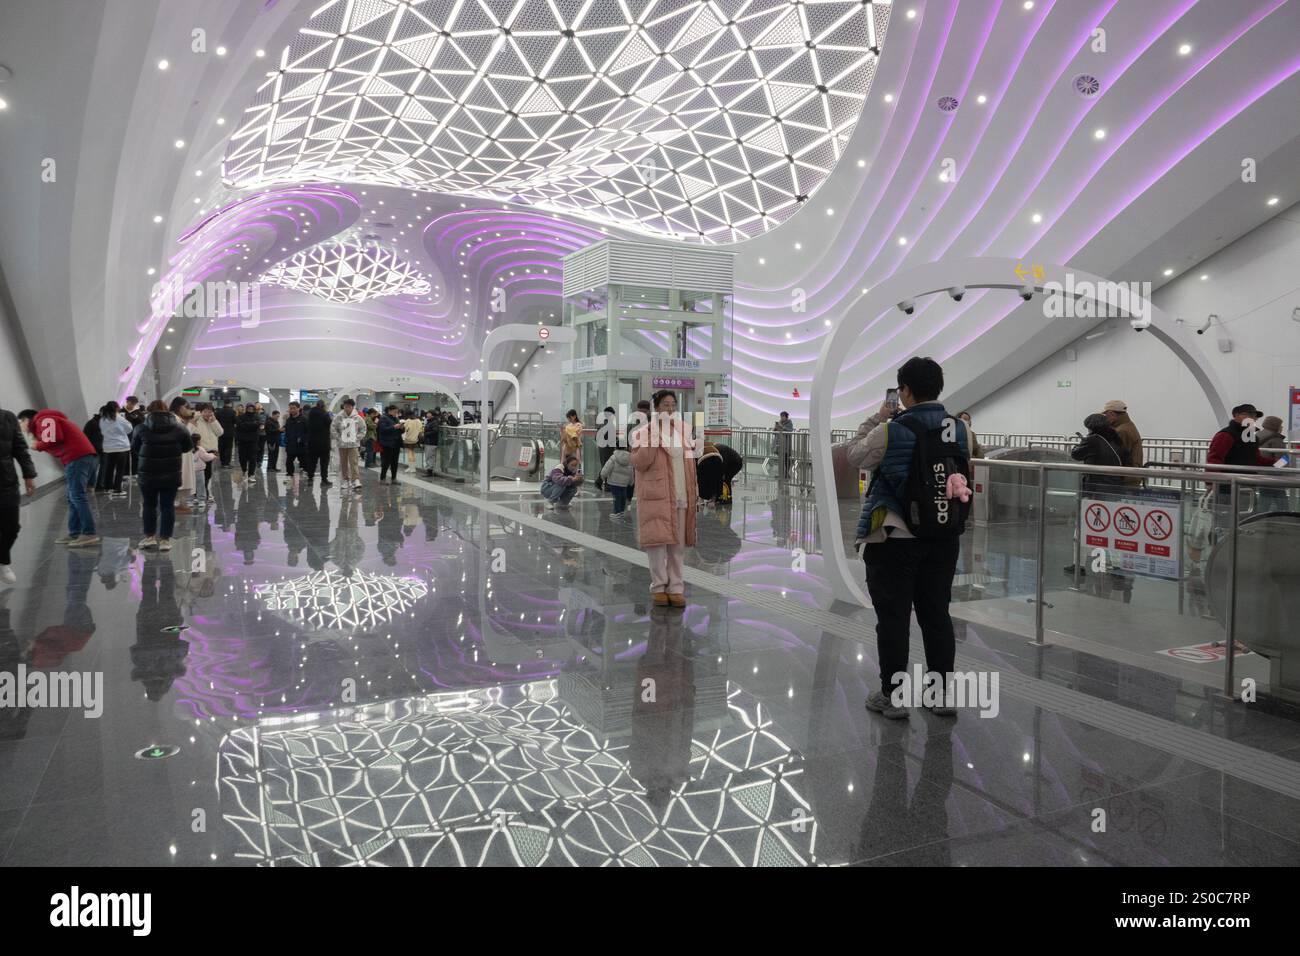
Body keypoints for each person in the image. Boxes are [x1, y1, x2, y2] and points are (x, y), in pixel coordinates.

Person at [853, 357, 973, 719]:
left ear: (904, 390)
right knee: (936, 614)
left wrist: (877, 418)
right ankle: (938, 696)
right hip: (943, 532)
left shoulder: (892, 429)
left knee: (893, 615)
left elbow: (854, 455)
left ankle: (893, 696)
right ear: (938, 387)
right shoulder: (961, 428)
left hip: (896, 535)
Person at [630, 390, 699, 608]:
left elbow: (689, 462)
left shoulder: (682, 432)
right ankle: (658, 586)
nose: (670, 409)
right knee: (657, 544)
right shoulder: (643, 432)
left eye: (673, 404)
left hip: (680, 494)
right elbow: (640, 462)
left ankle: (676, 587)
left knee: (677, 546)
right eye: (665, 404)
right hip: (657, 496)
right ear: (656, 408)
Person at [18, 408, 100, 548]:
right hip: (80, 458)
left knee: (77, 496)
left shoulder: (44, 419)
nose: (20, 426)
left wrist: (37, 445)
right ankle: (74, 532)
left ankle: (89, 533)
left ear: (27, 419)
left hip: (77, 458)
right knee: (72, 497)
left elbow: (52, 439)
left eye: (21, 422)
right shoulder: (48, 421)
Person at [1063, 414, 1128, 578]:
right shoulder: (1116, 440)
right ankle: (1117, 566)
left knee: (1082, 529)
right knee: (1113, 530)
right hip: (1115, 491)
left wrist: (1084, 441)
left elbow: (1076, 454)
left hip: (1094, 491)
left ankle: (1079, 564)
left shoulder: (1093, 440)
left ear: (1091, 427)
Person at [131, 400, 197, 552]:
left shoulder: (141, 427)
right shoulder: (179, 428)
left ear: (149, 411)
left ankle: (150, 537)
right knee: (167, 506)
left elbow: (135, 449)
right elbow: (188, 447)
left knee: (149, 505)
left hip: (147, 473)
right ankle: (165, 540)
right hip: (171, 473)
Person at [0, 407, 38, 585]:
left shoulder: (7, 417)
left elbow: (20, 449)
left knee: (11, 528)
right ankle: (4, 562)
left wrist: (28, 475)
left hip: (6, 482)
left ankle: (2, 560)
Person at [1207, 403, 1269, 505]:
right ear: (1236, 415)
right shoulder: (1226, 435)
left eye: (1254, 416)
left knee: (1247, 518)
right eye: (1248, 415)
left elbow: (1256, 459)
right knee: (1227, 518)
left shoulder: (1252, 437)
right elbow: (1214, 460)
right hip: (1228, 487)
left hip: (1247, 486)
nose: (1252, 418)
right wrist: (1211, 482)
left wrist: (1283, 461)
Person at [1101, 400, 1143, 487]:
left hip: (1125, 478)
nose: (1104, 418)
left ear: (1112, 413)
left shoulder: (1121, 431)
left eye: (1105, 414)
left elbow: (1115, 456)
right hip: (1131, 475)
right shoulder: (1128, 425)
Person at [98, 401, 133, 498]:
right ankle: (117, 489)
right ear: (116, 408)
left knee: (109, 468)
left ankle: (107, 487)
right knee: (120, 469)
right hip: (121, 447)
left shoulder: (102, 419)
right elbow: (129, 428)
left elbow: (102, 431)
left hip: (108, 448)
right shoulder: (119, 418)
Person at [331, 398, 365, 495]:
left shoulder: (358, 418)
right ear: (344, 406)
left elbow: (363, 429)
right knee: (343, 462)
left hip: (353, 444)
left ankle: (356, 480)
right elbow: (333, 428)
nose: (347, 408)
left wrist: (357, 438)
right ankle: (345, 480)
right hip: (342, 444)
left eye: (349, 406)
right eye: (346, 406)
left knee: (354, 462)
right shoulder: (339, 417)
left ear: (352, 407)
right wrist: (339, 438)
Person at [169, 397, 197, 513]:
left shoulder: (178, 419)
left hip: (184, 453)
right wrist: (190, 424)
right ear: (180, 408)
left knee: (184, 478)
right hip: (179, 453)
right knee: (181, 478)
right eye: (187, 407)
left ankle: (182, 503)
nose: (188, 410)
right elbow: (183, 435)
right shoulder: (174, 419)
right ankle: (175, 504)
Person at [599, 442, 633, 518]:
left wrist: (602, 476)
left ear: (616, 447)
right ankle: (621, 511)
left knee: (616, 497)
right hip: (624, 483)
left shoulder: (613, 457)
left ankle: (617, 512)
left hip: (614, 482)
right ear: (626, 447)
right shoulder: (630, 458)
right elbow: (631, 471)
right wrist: (631, 481)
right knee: (623, 496)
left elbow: (607, 468)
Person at [306, 400, 333, 486]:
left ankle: (310, 478)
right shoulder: (325, 414)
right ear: (323, 406)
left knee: (312, 462)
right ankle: (324, 480)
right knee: (324, 462)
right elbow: (330, 423)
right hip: (324, 443)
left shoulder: (310, 414)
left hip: (312, 442)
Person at [282, 401, 309, 479]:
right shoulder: (288, 420)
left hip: (301, 446)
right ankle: (289, 475)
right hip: (291, 445)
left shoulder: (304, 419)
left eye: (294, 408)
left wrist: (303, 440)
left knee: (304, 461)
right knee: (289, 461)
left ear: (298, 409)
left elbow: (308, 432)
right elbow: (287, 431)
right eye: (291, 408)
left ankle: (306, 473)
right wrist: (287, 441)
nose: (292, 410)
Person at [235, 405, 262, 482]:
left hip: (253, 441)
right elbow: (240, 426)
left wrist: (246, 424)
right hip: (242, 441)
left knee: (253, 458)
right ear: (246, 409)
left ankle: (251, 474)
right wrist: (252, 425)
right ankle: (244, 471)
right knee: (242, 458)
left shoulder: (257, 417)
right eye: (249, 408)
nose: (250, 410)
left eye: (252, 408)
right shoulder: (241, 416)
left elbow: (257, 425)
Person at [377, 405, 402, 484]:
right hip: (387, 443)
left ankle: (394, 478)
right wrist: (394, 427)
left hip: (396, 443)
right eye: (395, 411)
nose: (396, 413)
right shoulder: (383, 418)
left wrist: (402, 428)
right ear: (390, 411)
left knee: (395, 462)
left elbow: (399, 431)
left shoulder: (396, 419)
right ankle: (382, 478)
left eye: (397, 412)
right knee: (386, 462)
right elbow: (383, 430)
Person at [122, 396, 145, 476]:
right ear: (127, 401)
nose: (131, 405)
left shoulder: (138, 412)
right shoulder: (121, 411)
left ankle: (135, 472)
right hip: (124, 437)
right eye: (130, 403)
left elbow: (143, 422)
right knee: (125, 456)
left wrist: (136, 418)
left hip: (135, 437)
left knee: (135, 455)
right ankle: (125, 473)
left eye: (133, 404)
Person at [773, 410, 794, 481]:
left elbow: (789, 431)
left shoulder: (789, 423)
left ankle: (786, 473)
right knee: (780, 460)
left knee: (786, 459)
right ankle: (780, 473)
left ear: (786, 417)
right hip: (779, 444)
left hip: (786, 444)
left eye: (783, 416)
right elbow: (774, 432)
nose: (781, 418)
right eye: (781, 416)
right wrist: (775, 428)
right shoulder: (780, 422)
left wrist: (782, 427)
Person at [215, 400, 237, 467]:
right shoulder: (232, 412)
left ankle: (222, 462)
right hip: (229, 433)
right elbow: (235, 421)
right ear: (230, 403)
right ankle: (227, 463)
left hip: (220, 432)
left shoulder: (218, 412)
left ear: (224, 404)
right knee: (228, 448)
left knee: (221, 447)